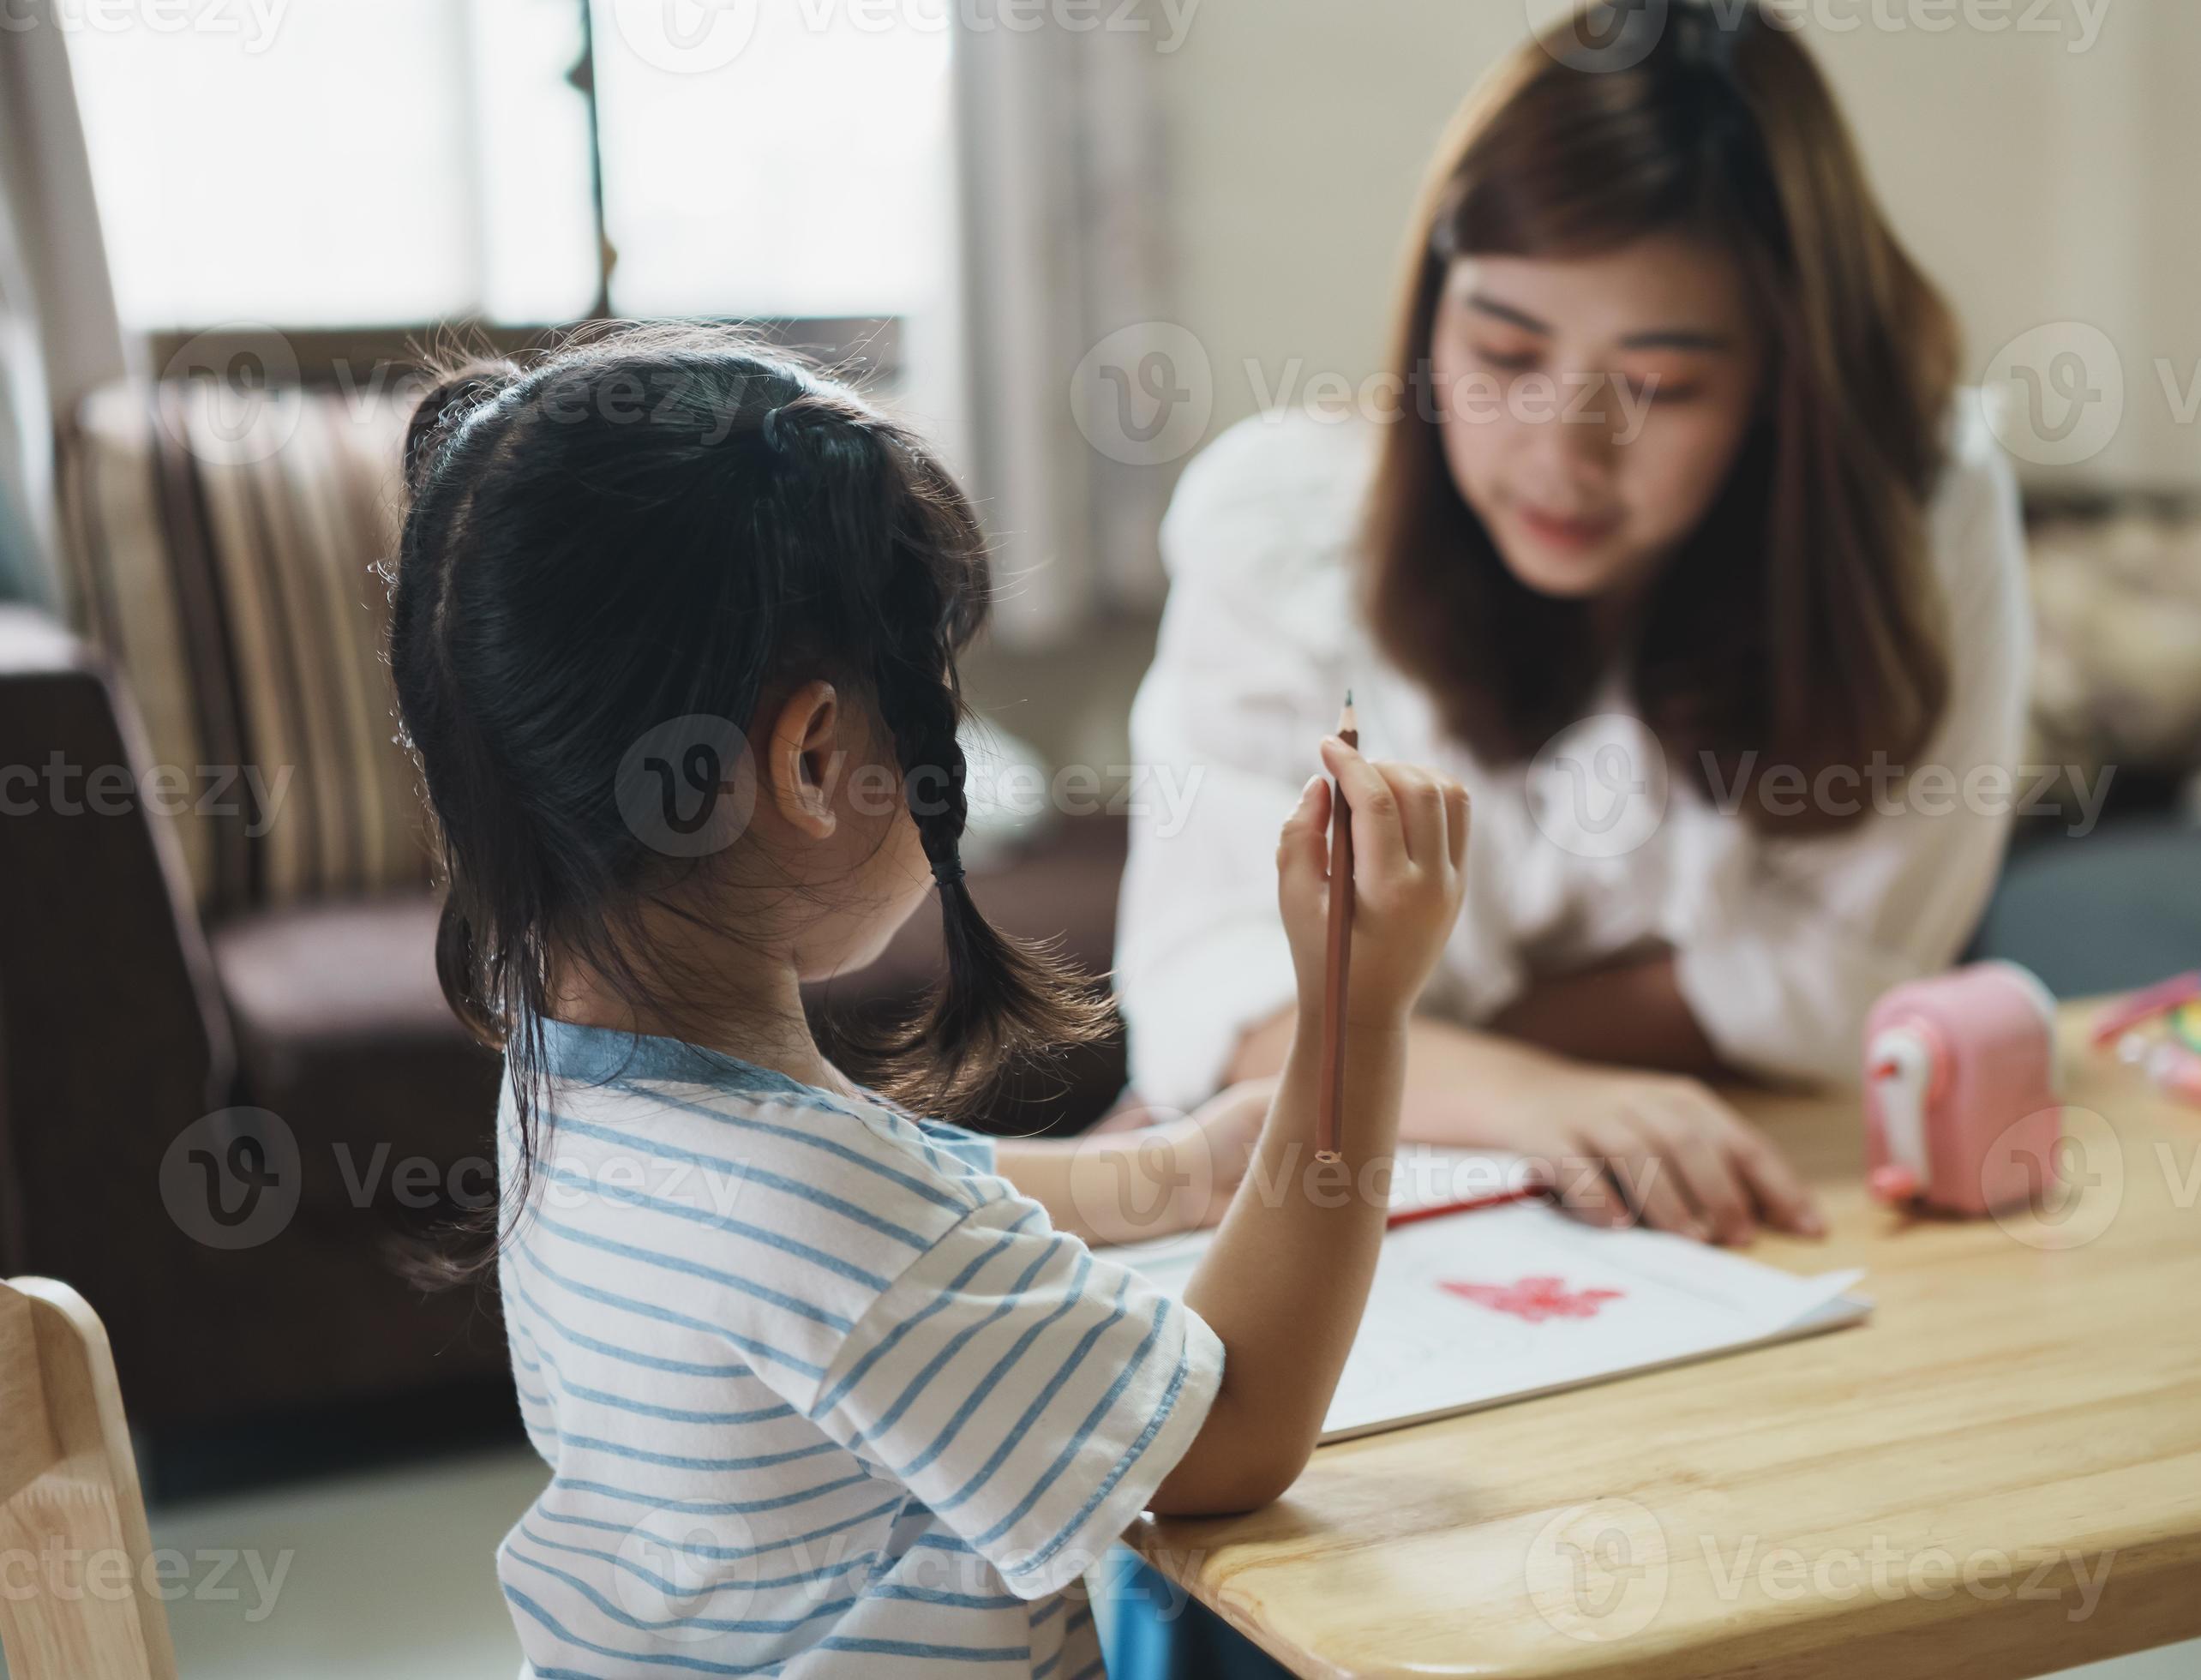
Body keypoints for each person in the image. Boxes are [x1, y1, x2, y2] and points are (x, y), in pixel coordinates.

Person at [386, 327, 1468, 1678]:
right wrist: (1356, 1015)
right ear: (816, 755)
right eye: (937, 696)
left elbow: (901, 1194)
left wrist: (1171, 1175)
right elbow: (1233, 1438)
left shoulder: (580, 1077)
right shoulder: (818, 1212)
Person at [1117, 0, 2032, 1245]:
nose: (1561, 457)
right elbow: (1210, 1001)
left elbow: (1849, 975)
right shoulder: (1276, 521)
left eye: (1655, 387)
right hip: (1318, 1163)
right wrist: (1519, 1091)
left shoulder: (1915, 499)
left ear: (1786, 377)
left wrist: (1380, 1040)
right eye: (1500, 353)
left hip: (1715, 1164)